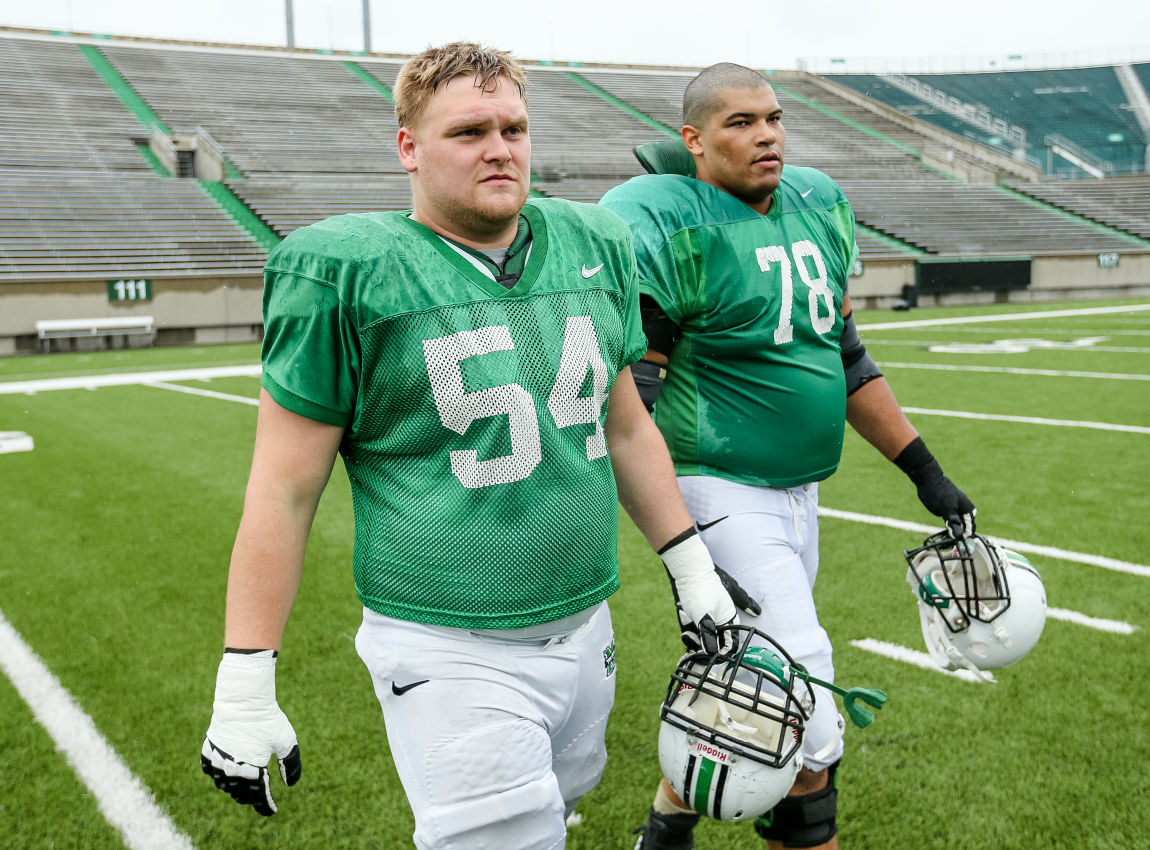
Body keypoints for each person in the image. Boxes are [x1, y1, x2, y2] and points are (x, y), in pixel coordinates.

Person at [198, 43, 751, 850]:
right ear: (408, 148)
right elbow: (283, 490)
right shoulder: (347, 271)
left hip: (585, 623)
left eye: (514, 127)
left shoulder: (592, 240)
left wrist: (691, 569)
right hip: (446, 644)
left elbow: (625, 425)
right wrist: (246, 675)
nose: (500, 148)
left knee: (559, 806)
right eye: (468, 132)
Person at [599, 63, 977, 850]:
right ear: (694, 140)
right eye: (740, 122)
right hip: (718, 488)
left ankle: (667, 824)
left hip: (799, 496)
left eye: (773, 118)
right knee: (806, 715)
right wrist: (683, 552)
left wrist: (924, 470)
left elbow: (845, 361)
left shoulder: (817, 202)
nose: (766, 133)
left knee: (756, 691)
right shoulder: (666, 219)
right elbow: (632, 405)